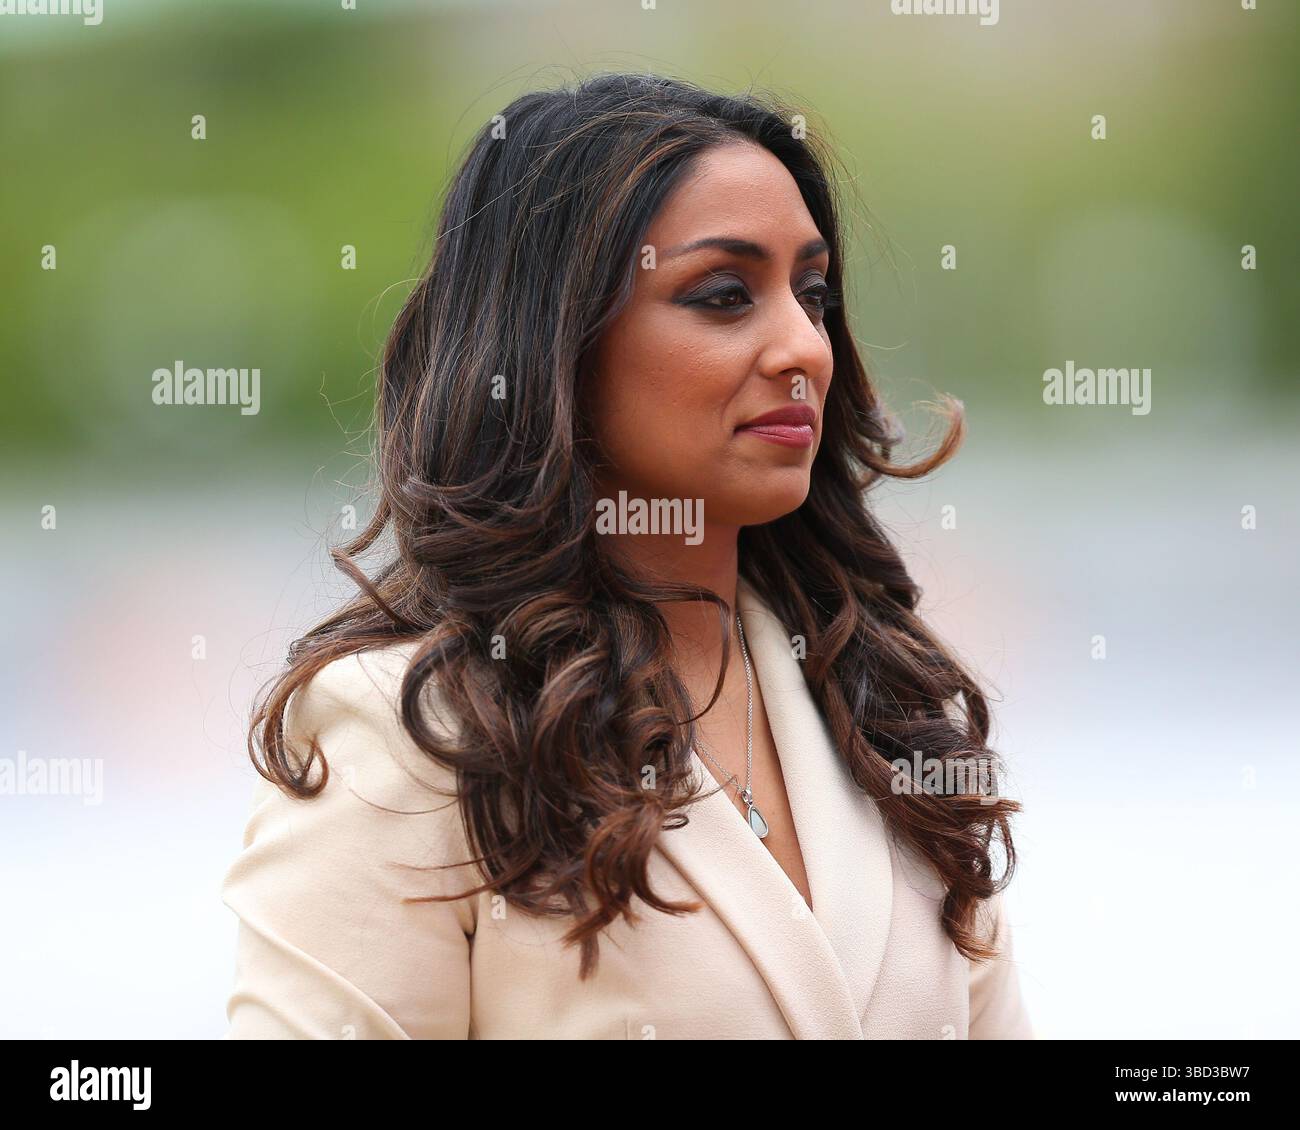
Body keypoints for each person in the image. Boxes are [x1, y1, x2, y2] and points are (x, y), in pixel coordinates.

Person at [220, 72, 1033, 1039]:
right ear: (555, 344)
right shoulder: (419, 735)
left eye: (811, 294)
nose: (804, 349)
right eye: (725, 295)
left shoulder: (888, 712)